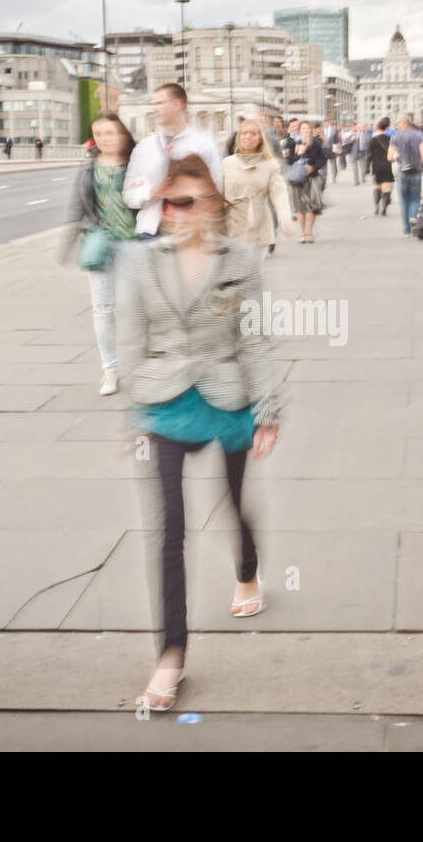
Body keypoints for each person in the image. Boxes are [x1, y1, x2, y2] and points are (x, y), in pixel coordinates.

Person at [119, 153, 282, 712]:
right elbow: (129, 341)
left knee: (233, 502)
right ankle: (171, 656)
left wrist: (267, 409)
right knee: (169, 531)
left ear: (211, 205)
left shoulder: (242, 260)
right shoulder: (139, 263)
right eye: (168, 203)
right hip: (164, 402)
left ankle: (247, 571)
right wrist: (131, 414)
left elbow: (256, 338)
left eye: (187, 202)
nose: (176, 213)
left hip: (226, 395)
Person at [61, 114, 138, 397]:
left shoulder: (137, 162)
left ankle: (148, 362)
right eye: (100, 133)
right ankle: (110, 369)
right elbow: (77, 204)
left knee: (132, 305)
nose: (106, 138)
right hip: (100, 242)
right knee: (102, 309)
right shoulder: (88, 166)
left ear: (122, 134)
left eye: (111, 132)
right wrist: (71, 239)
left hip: (133, 243)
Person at [123, 83, 222, 238]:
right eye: (153, 104)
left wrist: (185, 192)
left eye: (159, 103)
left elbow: (216, 190)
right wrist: (151, 193)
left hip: (191, 234)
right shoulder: (144, 147)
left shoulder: (205, 145)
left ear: (177, 104)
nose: (154, 109)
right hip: (150, 231)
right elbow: (129, 196)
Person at [221, 117, 293, 255]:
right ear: (239, 137)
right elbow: (218, 195)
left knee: (252, 274)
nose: (248, 136)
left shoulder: (270, 165)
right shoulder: (227, 163)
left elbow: (279, 193)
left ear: (260, 138)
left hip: (258, 225)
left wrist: (284, 218)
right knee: (231, 273)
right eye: (244, 133)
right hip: (230, 225)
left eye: (253, 133)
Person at [288, 120, 326, 243]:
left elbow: (322, 159)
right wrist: (299, 153)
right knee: (300, 207)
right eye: (304, 128)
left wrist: (313, 168)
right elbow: (288, 160)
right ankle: (303, 233)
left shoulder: (316, 143)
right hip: (298, 178)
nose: (307, 130)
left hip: (312, 177)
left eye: (309, 128)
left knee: (314, 205)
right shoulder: (294, 143)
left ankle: (309, 231)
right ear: (300, 130)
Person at [389, 114, 423, 235]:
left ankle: (406, 230)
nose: (397, 127)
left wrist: (397, 157)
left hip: (402, 172)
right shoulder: (419, 135)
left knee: (404, 200)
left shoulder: (395, 137)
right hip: (417, 171)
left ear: (403, 124)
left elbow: (389, 157)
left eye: (398, 124)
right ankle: (413, 218)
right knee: (415, 198)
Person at [368, 118, 394, 216]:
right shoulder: (390, 139)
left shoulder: (373, 140)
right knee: (387, 189)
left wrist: (367, 167)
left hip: (376, 166)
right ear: (386, 127)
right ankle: (384, 208)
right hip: (387, 165)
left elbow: (369, 155)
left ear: (378, 127)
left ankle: (377, 206)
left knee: (377, 187)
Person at [352, 120, 371, 185]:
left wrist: (368, 153)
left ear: (363, 128)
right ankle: (356, 181)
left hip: (362, 152)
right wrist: (352, 139)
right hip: (354, 152)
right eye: (358, 127)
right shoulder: (353, 134)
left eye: (361, 127)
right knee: (354, 168)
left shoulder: (367, 135)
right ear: (356, 128)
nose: (360, 128)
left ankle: (363, 177)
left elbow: (369, 144)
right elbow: (345, 142)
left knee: (363, 167)